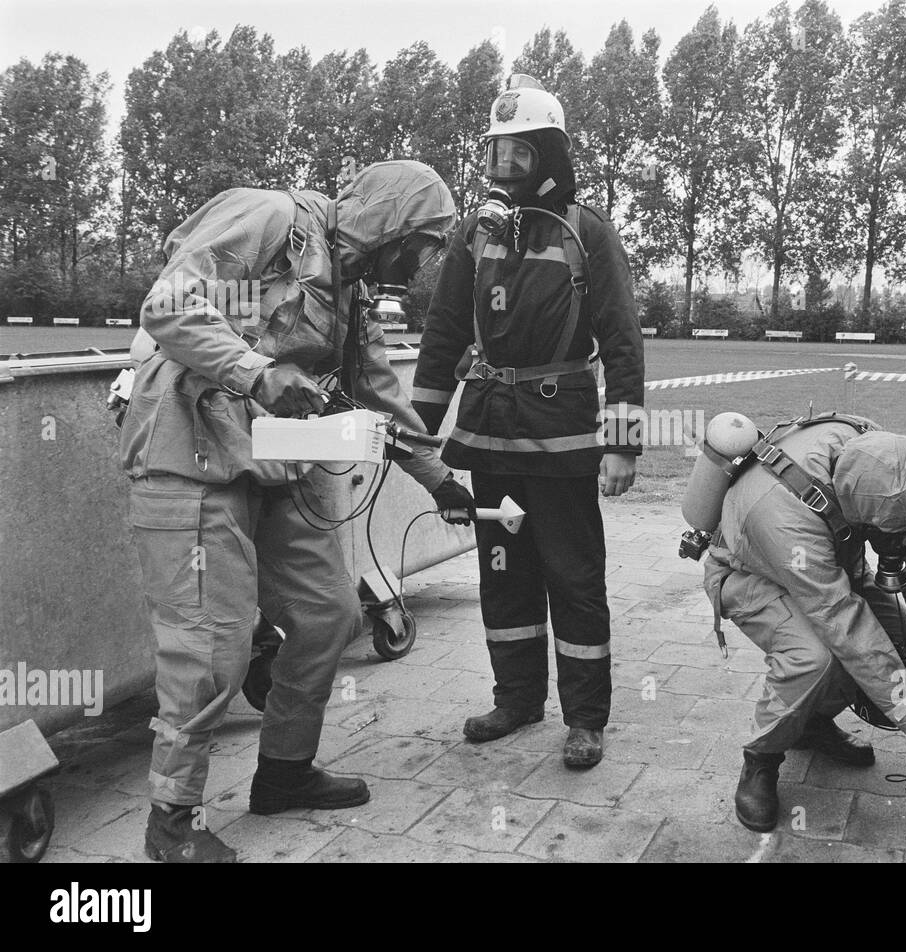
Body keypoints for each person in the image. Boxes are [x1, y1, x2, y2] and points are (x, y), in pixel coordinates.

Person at [121, 160, 474, 862]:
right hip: (190, 458)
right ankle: (171, 822)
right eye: (424, 240)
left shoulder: (354, 286)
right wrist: (258, 372)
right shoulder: (269, 219)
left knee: (328, 614)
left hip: (275, 459)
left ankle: (283, 772)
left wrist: (440, 481)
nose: (427, 259)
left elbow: (375, 392)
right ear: (390, 222)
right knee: (211, 649)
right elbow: (167, 307)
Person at [412, 76, 644, 768]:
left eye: (517, 152)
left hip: (565, 435)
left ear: (548, 154)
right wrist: (417, 426)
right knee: (504, 568)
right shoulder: (473, 233)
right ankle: (516, 700)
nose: (501, 166)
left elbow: (624, 340)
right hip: (490, 434)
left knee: (574, 576)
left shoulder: (587, 230)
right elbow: (444, 329)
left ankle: (586, 719)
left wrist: (623, 445)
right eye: (495, 151)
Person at [702, 414, 906, 832]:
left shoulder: (873, 451)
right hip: (750, 574)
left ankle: (810, 723)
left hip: (827, 566)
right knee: (815, 657)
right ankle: (761, 758)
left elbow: (905, 530)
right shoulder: (784, 516)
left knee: (901, 638)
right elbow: (840, 620)